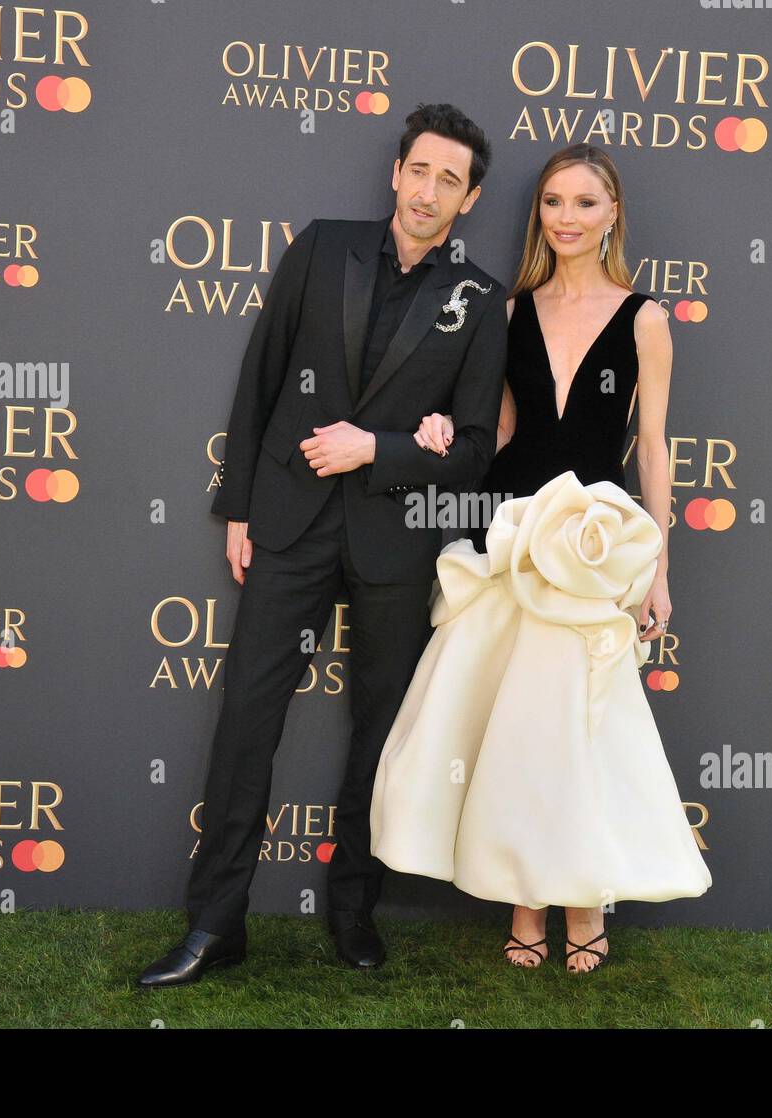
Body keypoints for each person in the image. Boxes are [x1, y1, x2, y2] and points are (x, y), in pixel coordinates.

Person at [138, 104, 507, 987]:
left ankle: (352, 914)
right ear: (397, 172)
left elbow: (475, 451)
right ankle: (216, 924)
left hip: (397, 542)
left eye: (447, 180)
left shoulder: (481, 300)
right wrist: (238, 506)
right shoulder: (321, 247)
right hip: (290, 522)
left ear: (470, 197)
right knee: (246, 723)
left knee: (378, 733)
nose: (427, 191)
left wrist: (376, 450)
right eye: (418, 170)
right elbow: (261, 374)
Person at [369, 142, 711, 974]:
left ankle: (585, 900)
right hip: (514, 537)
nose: (566, 218)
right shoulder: (508, 310)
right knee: (518, 733)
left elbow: (654, 449)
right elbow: (505, 432)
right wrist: (441, 441)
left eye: (585, 203)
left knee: (583, 736)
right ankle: (526, 902)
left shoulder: (647, 319)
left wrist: (658, 566)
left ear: (613, 213)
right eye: (553, 203)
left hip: (595, 548)